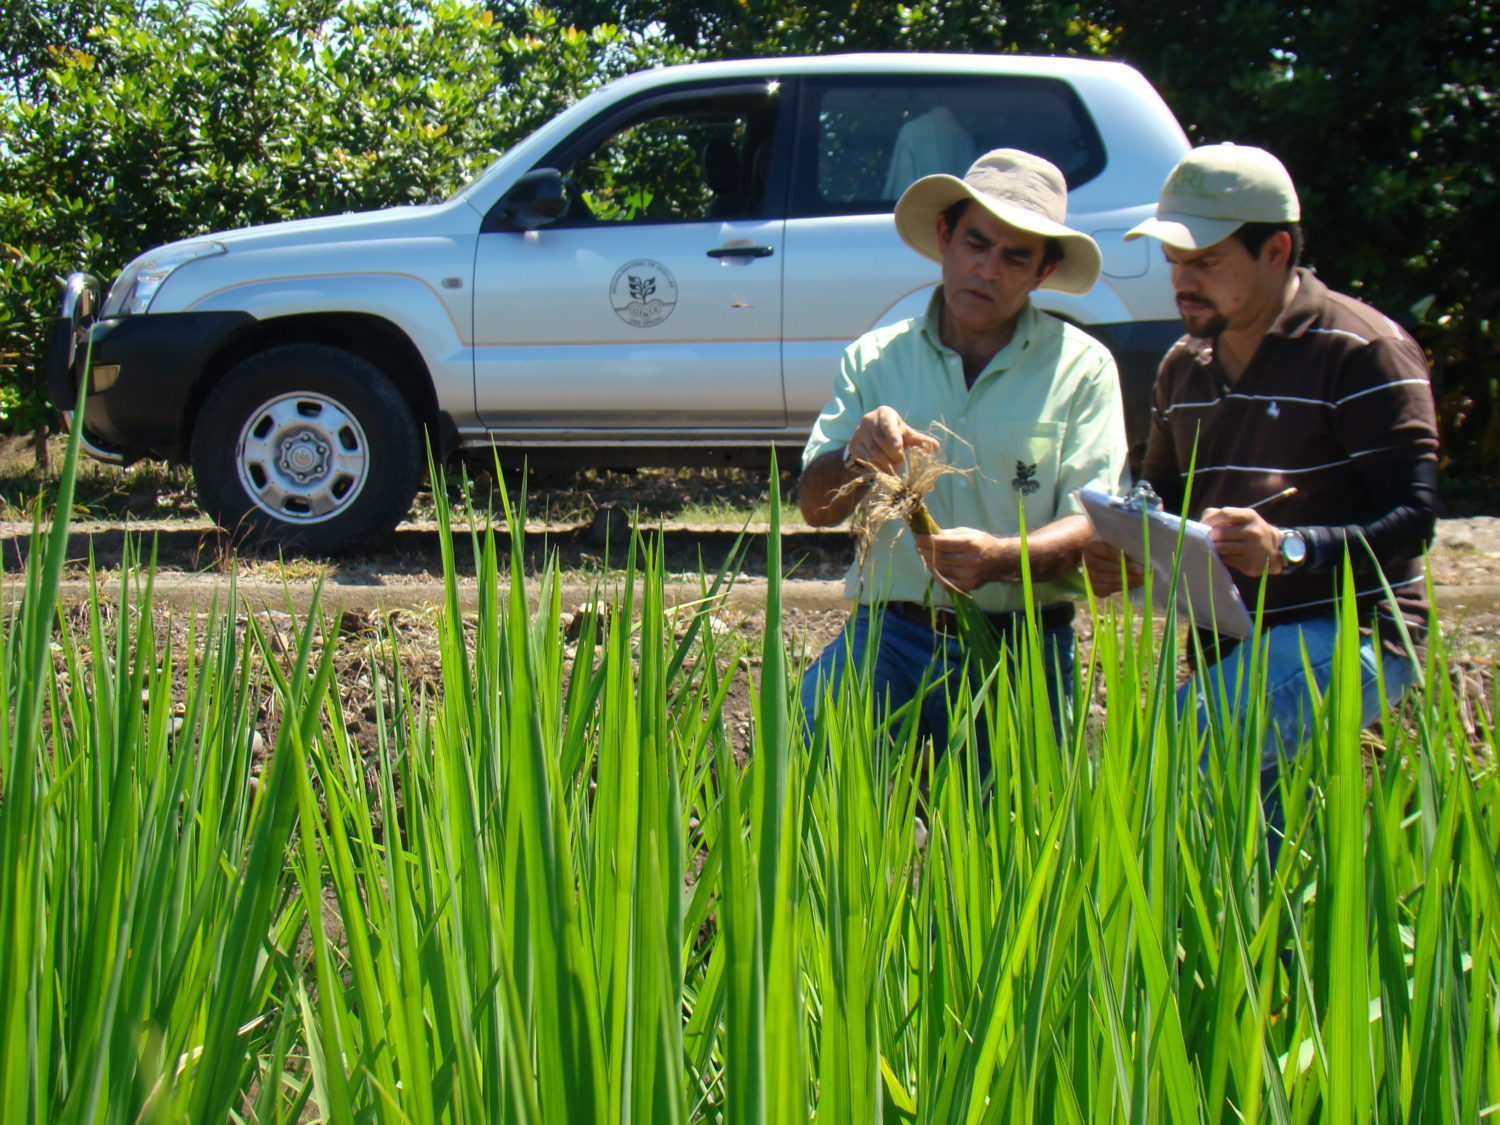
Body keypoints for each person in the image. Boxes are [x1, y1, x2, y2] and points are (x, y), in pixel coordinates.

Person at [1083, 143, 1439, 841]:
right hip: (1232, 646)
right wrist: (1126, 548)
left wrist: (1289, 547)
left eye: (1205, 262)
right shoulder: (1183, 366)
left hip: (1358, 635)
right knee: (1255, 852)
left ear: (1276, 251)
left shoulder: (1362, 350)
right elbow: (1161, 496)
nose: (1182, 281)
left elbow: (1415, 517)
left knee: (1160, 760)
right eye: (1174, 260)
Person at [799, 148, 1128, 764]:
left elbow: (1094, 519)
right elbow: (815, 509)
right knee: (806, 767)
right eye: (977, 243)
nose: (988, 269)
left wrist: (1002, 559)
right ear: (945, 237)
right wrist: (855, 456)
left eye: (1015, 257)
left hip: (1022, 647)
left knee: (1014, 821)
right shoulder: (875, 359)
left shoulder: (1083, 369)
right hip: (889, 638)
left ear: (1044, 270)